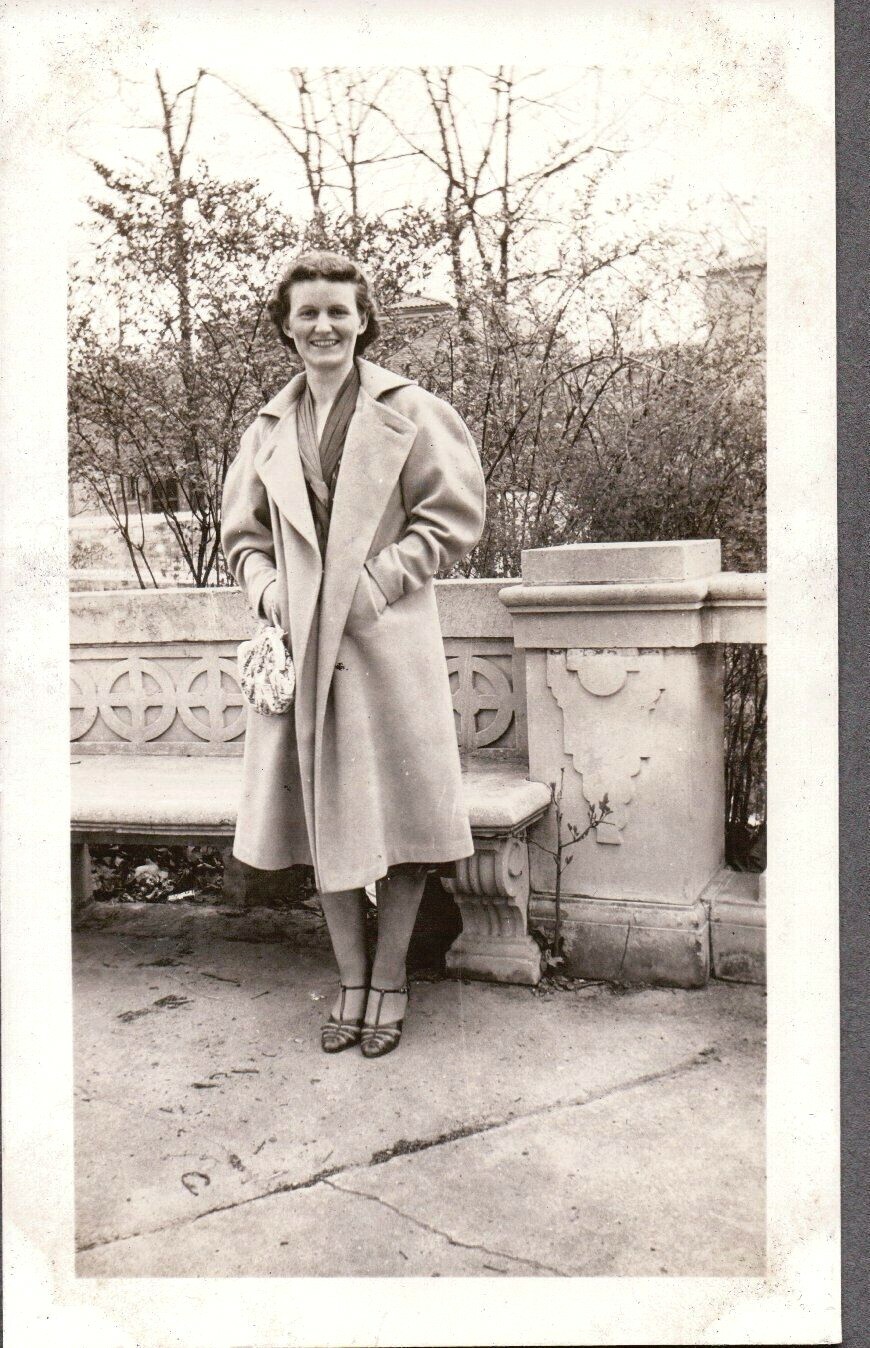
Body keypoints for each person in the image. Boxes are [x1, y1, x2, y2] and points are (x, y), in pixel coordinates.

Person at [221, 251, 486, 1058]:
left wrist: (372, 586)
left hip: (386, 647)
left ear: (365, 318)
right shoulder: (268, 427)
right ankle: (348, 979)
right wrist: (271, 593)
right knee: (320, 818)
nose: (324, 326)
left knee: (401, 823)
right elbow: (243, 538)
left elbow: (452, 519)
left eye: (339, 310)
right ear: (286, 326)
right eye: (308, 313)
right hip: (305, 654)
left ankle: (393, 980)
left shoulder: (413, 409)